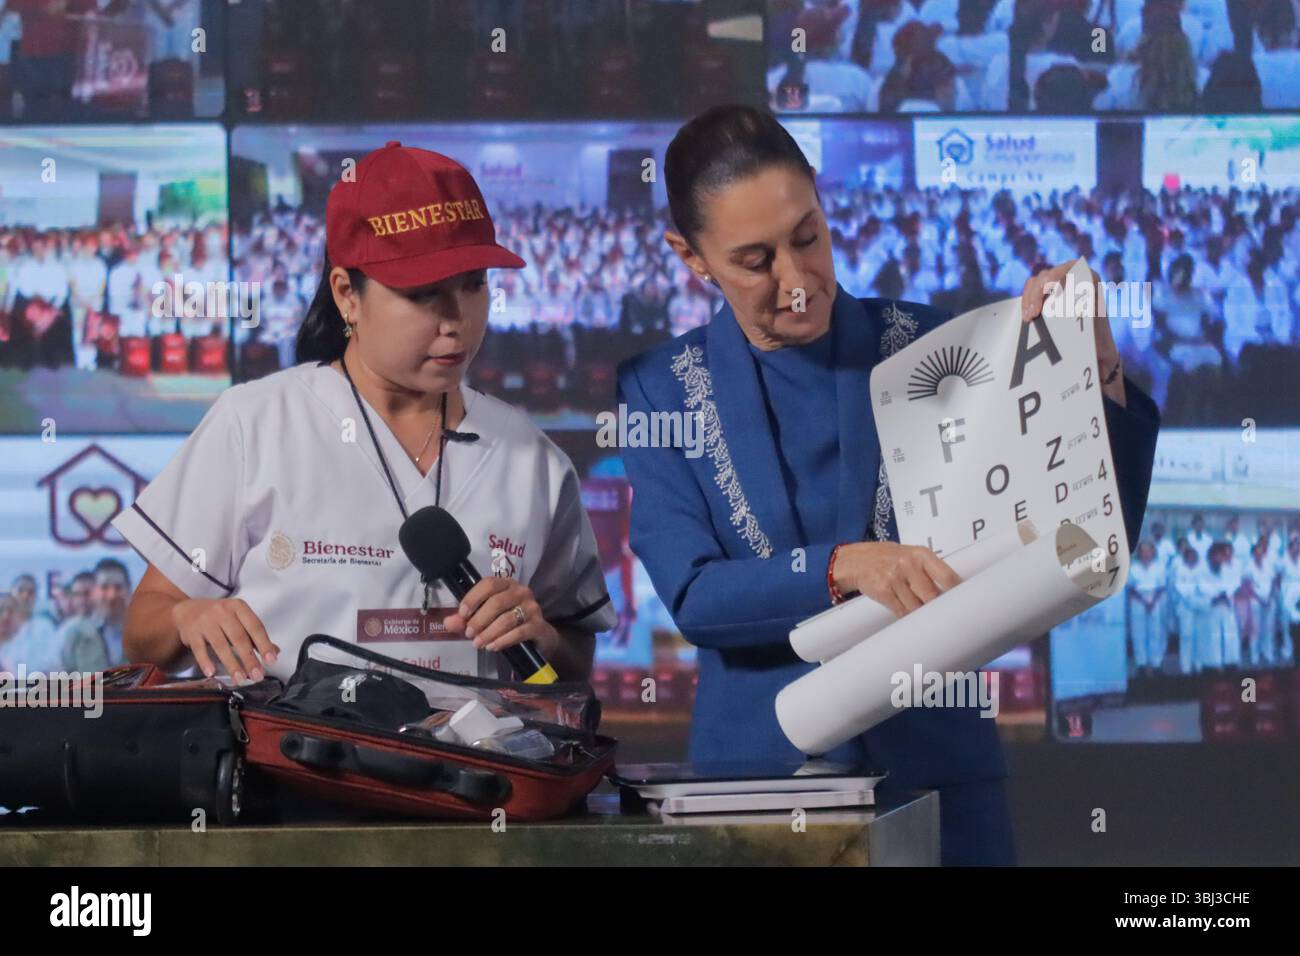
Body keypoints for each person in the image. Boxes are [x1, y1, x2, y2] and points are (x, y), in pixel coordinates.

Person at [616, 106, 1161, 866]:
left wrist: (1090, 364)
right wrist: (844, 568)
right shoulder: (659, 391)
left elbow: (1091, 539)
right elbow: (698, 596)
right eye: (755, 260)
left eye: (808, 237)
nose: (798, 281)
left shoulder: (936, 348)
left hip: (938, 783)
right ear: (691, 257)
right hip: (756, 787)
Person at [112, 142, 616, 684]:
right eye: (423, 294)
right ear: (347, 294)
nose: (456, 320)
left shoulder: (531, 460)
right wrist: (189, 616)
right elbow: (145, 630)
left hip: (478, 765)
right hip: (286, 764)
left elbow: (573, 660)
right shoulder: (255, 424)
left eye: (473, 286)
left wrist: (538, 636)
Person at [1128, 540, 1167, 676]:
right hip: (1138, 601)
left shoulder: (1159, 567)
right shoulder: (1133, 567)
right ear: (1139, 553)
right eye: (1143, 551)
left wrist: (1152, 602)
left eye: (1148, 551)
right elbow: (1130, 588)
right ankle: (1141, 664)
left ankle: (1156, 664)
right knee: (1139, 633)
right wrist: (1144, 602)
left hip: (1154, 601)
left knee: (1155, 633)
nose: (1145, 554)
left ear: (1152, 552)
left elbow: (1162, 587)